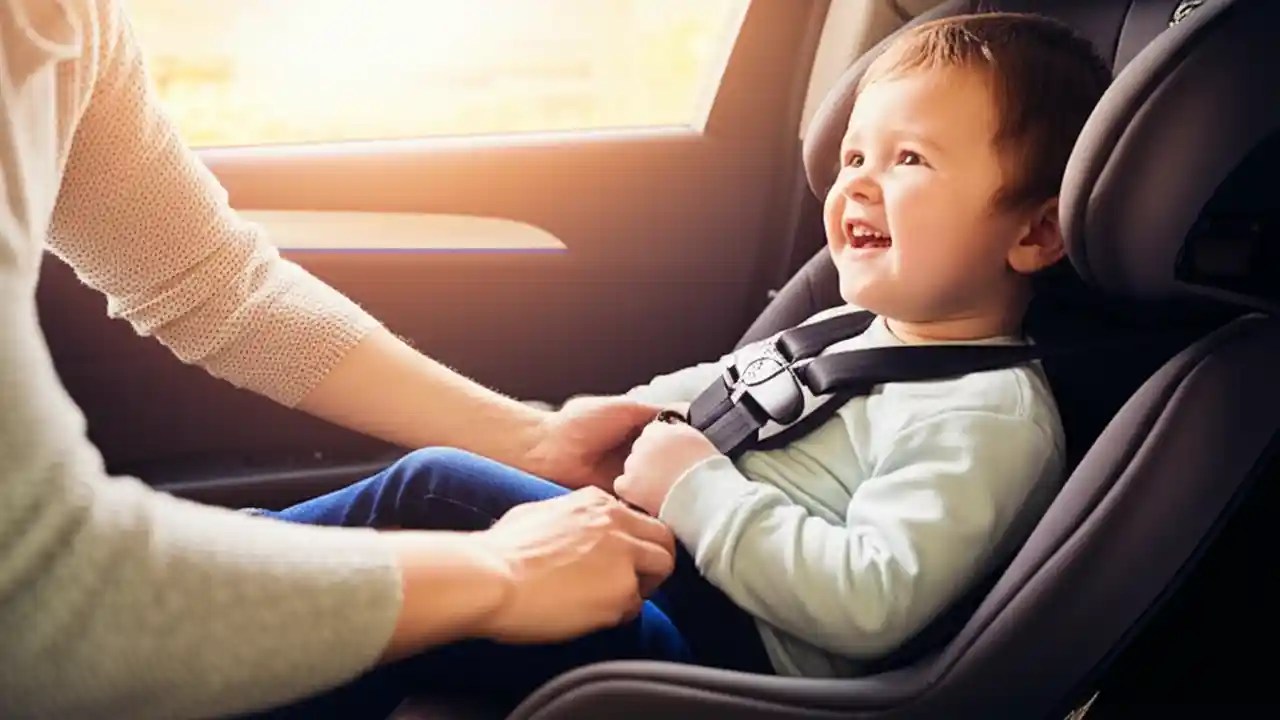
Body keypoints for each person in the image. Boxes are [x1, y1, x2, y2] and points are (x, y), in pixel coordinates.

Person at [243, 10, 1116, 714]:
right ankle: (239, 612)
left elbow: (871, 601)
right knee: (411, 563)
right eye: (854, 155)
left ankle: (209, 602)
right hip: (675, 570)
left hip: (726, 658)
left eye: (910, 160)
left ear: (1035, 232)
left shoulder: (986, 416)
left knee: (436, 488)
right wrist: (632, 413)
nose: (856, 182)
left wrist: (696, 489)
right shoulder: (861, 323)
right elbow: (726, 385)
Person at [0, 2, 677, 719]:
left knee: (438, 491)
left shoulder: (64, 20)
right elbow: (47, 605)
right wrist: (499, 574)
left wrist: (531, 441)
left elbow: (208, 280)